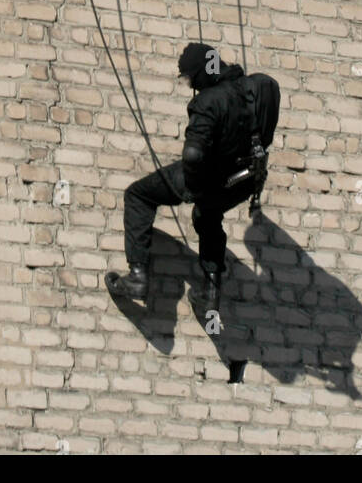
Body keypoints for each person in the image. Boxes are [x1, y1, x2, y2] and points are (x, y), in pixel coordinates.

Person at [105, 42, 281, 309]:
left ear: (204, 71)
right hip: (244, 182)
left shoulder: (208, 102)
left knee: (138, 195)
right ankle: (211, 292)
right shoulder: (266, 86)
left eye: (191, 79)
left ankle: (138, 277)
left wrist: (193, 186)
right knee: (207, 214)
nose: (191, 86)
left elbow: (193, 156)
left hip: (210, 178)